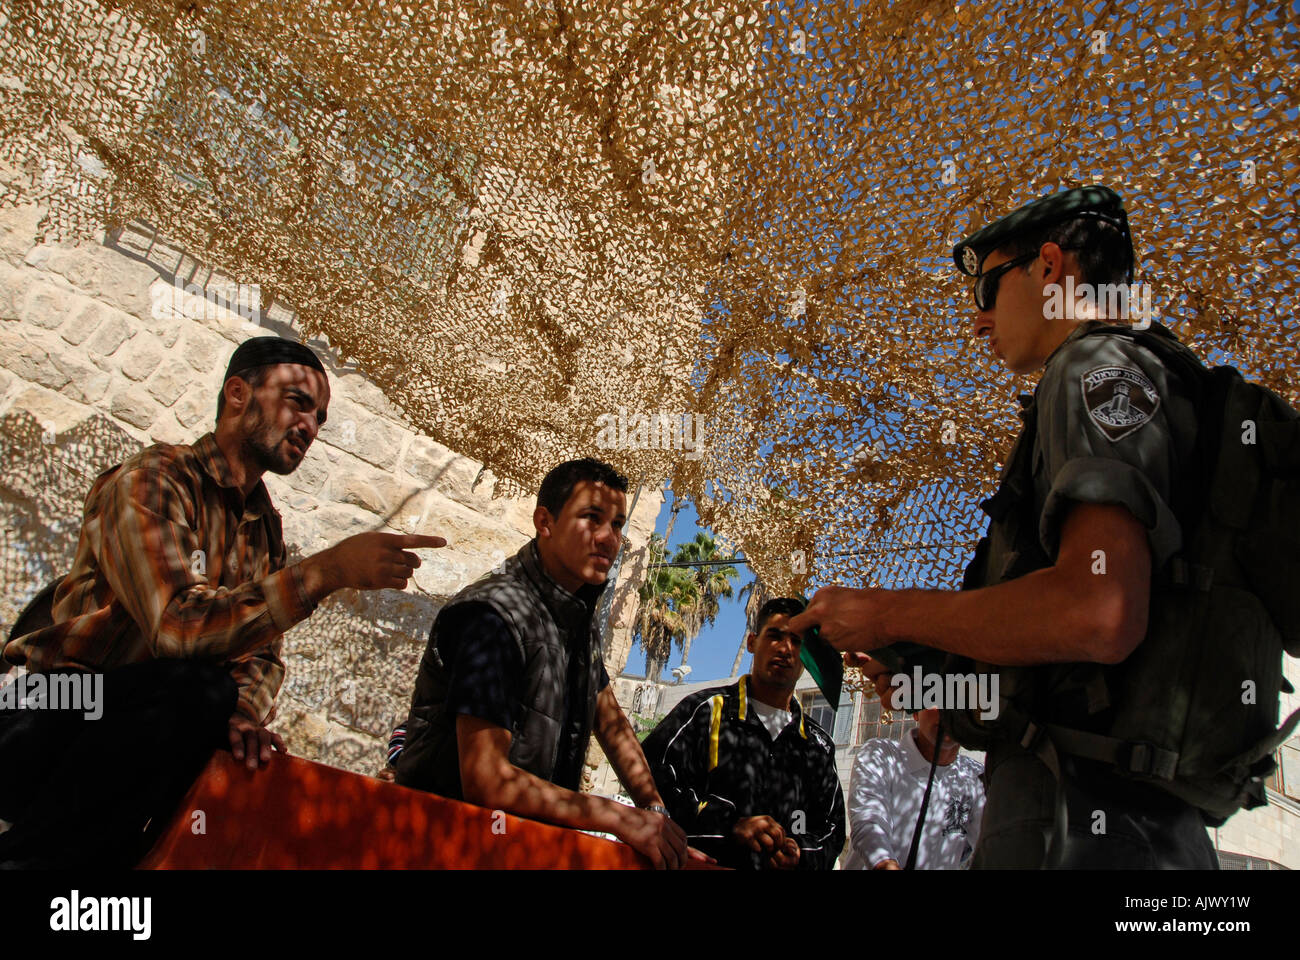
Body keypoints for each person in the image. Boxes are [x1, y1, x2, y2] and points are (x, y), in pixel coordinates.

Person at [790, 186, 1222, 868]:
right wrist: (926, 676)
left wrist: (886, 611)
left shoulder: (1095, 367)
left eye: (987, 290)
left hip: (1082, 822)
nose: (978, 321)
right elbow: (1058, 676)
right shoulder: (1124, 377)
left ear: (1049, 267)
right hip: (1106, 808)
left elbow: (1099, 611)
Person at [0, 336, 446, 868]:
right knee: (196, 691)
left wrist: (239, 712)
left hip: (138, 729)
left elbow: (261, 658)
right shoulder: (155, 479)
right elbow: (176, 626)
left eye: (321, 418)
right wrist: (325, 571)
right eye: (298, 403)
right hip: (53, 708)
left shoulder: (265, 530)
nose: (310, 427)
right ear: (238, 393)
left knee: (233, 735)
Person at [395, 458, 702, 869]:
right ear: (545, 522)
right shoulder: (493, 615)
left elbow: (611, 723)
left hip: (518, 850)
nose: (609, 538)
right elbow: (487, 780)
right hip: (442, 847)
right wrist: (617, 817)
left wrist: (657, 816)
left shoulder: (575, 618)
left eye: (616, 525)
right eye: (592, 518)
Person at [640, 597, 846, 870]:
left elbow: (832, 829)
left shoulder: (819, 744)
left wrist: (800, 852)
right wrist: (729, 826)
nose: (785, 649)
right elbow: (649, 778)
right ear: (752, 642)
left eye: (797, 641)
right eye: (774, 636)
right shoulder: (704, 710)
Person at [844, 708, 984, 870]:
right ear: (916, 711)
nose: (948, 712)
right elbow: (868, 824)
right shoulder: (881, 754)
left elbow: (989, 844)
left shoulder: (976, 776)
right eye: (937, 698)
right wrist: (886, 864)